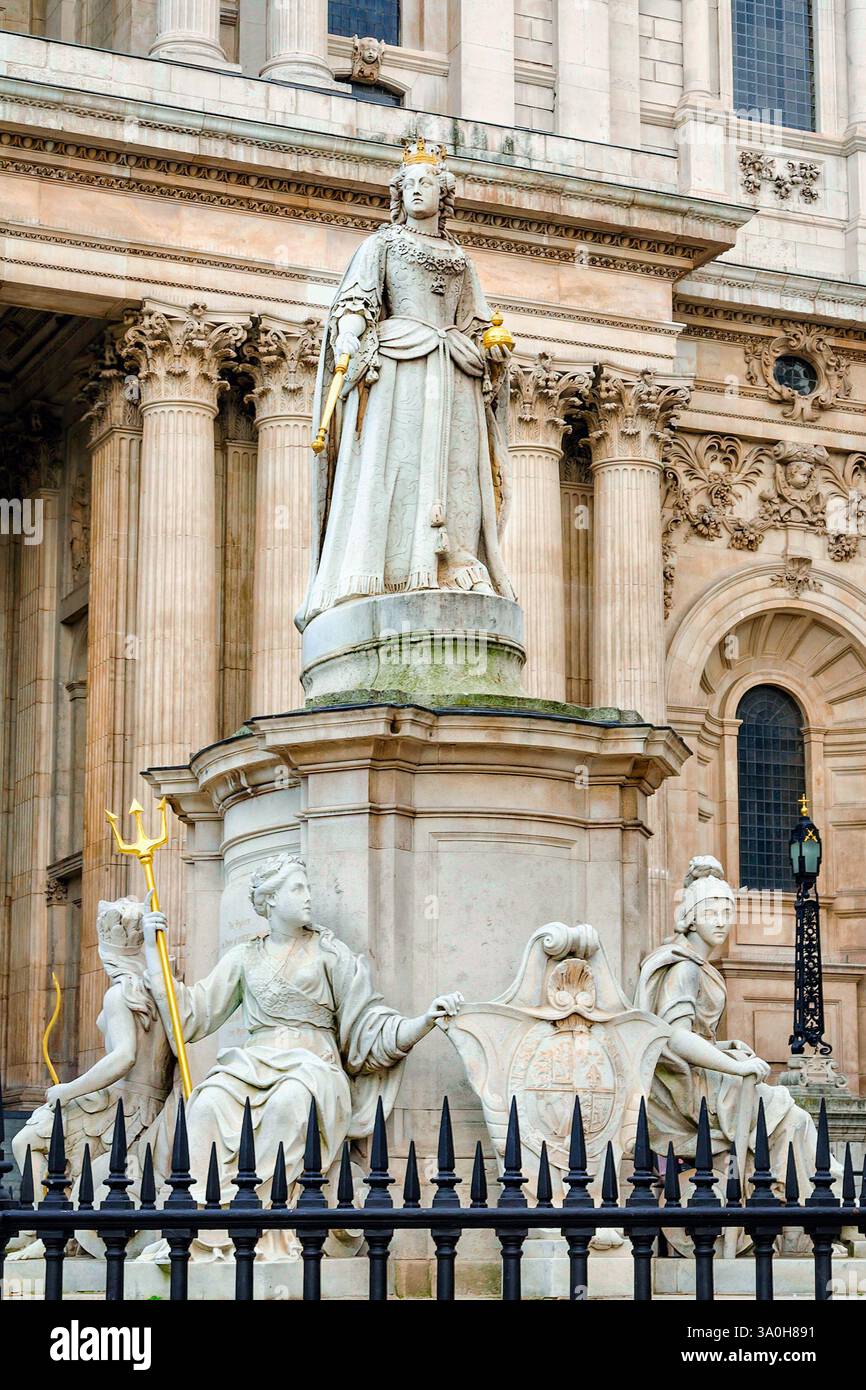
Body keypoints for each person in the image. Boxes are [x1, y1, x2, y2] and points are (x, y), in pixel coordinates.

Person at [142, 854, 462, 1253]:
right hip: (252, 1064)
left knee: (290, 1102)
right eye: (298, 888)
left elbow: (369, 1026)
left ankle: (267, 1228)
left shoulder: (330, 953)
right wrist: (154, 957)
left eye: (308, 887)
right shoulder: (244, 957)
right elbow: (190, 1015)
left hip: (313, 1067)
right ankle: (209, 1227)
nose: (309, 897)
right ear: (270, 900)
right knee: (206, 1104)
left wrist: (423, 1021)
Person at [298, 138, 515, 627]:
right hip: (400, 364)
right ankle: (388, 566)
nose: (418, 191)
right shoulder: (380, 246)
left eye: (427, 184)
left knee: (458, 466)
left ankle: (454, 557)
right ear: (399, 194)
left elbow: (477, 322)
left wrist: (492, 349)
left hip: (454, 366)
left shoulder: (462, 260)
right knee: (394, 463)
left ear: (444, 195)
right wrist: (350, 333)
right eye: (411, 184)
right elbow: (358, 301)